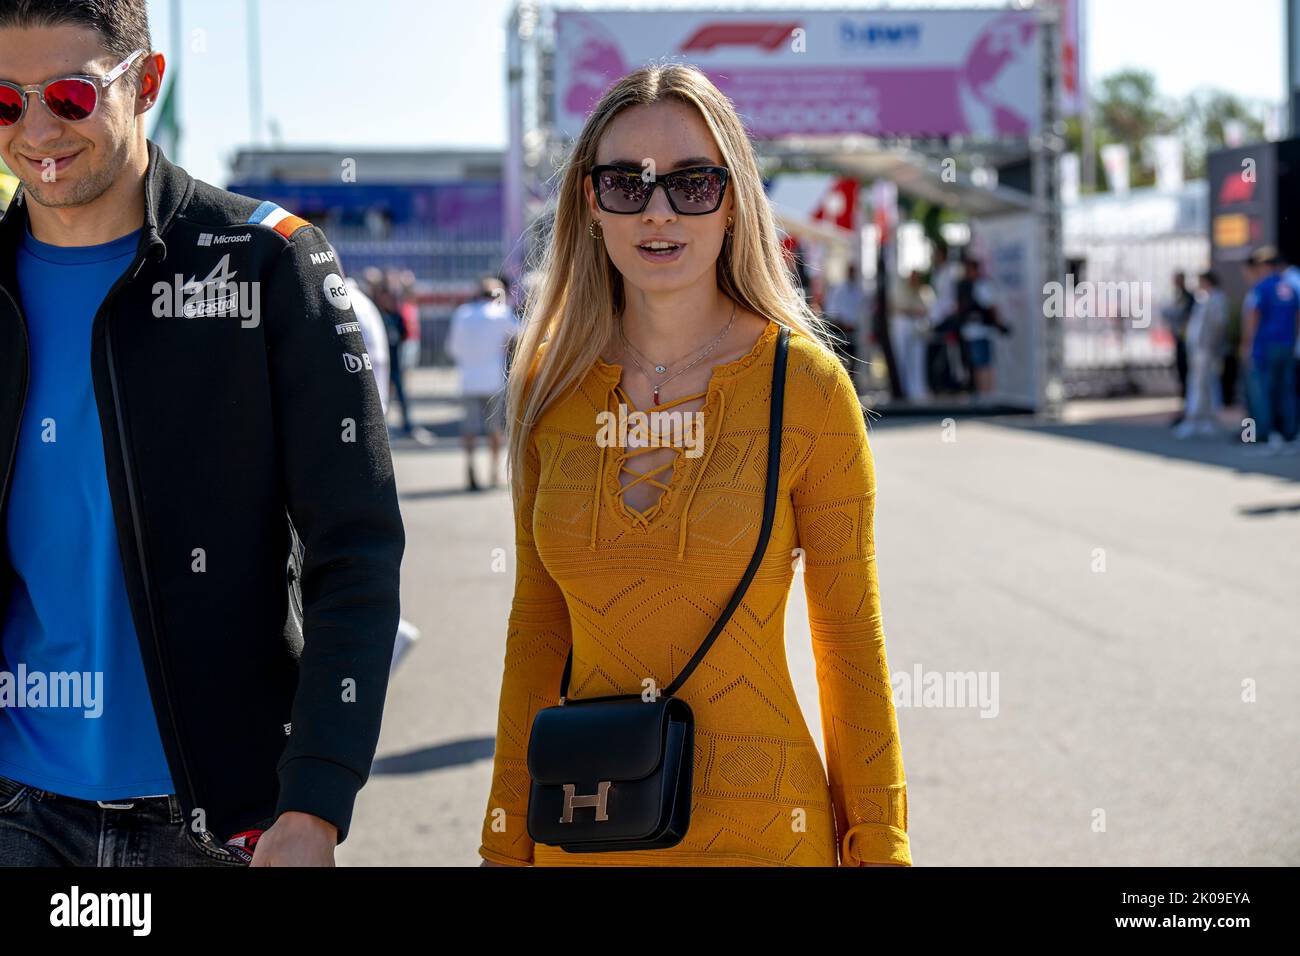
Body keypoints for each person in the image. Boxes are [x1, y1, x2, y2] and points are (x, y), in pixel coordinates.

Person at [0, 2, 404, 866]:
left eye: (69, 95)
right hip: (18, 809)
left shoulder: (270, 262)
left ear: (145, 83)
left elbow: (357, 549)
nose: (36, 129)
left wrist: (317, 802)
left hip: (224, 821)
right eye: (4, 101)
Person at [478, 64, 912, 868]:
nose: (657, 210)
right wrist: (503, 842)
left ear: (735, 199)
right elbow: (536, 629)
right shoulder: (551, 386)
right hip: (589, 833)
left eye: (692, 183)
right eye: (626, 183)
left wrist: (881, 849)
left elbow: (850, 643)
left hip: (765, 835)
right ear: (589, 202)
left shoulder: (807, 389)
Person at [446, 276, 520, 490]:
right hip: (493, 380)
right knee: (495, 428)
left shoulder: (462, 314)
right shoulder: (501, 314)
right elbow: (522, 333)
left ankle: (469, 467)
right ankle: (494, 472)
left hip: (468, 379)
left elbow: (452, 348)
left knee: (468, 428)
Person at [1240, 247, 1299, 454]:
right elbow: (1297, 317)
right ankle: (1290, 433)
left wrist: (1247, 346)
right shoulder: (1290, 288)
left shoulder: (1261, 288)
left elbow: (1253, 319)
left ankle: (1267, 434)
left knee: (1262, 391)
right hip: (1287, 345)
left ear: (1265, 266)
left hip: (1264, 347)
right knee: (1286, 390)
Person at [1174, 271, 1227, 439]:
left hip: (1206, 350)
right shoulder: (1204, 298)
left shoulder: (1216, 299)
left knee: (1201, 385)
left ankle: (1197, 419)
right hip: (1198, 349)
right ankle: (1202, 419)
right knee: (1200, 384)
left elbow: (1218, 325)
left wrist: (1212, 346)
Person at [956, 257, 1010, 397]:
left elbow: (991, 307)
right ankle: (983, 393)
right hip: (970, 331)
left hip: (981, 331)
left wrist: (998, 323)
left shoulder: (982, 285)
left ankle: (987, 393)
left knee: (984, 363)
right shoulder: (966, 286)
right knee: (977, 364)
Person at [890, 269, 934, 400]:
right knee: (902, 359)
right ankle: (904, 389)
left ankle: (917, 390)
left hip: (917, 329)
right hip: (904, 327)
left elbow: (926, 309)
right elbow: (896, 307)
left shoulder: (924, 291)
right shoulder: (901, 290)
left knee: (917, 360)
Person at [1161, 272, 1195, 425]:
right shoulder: (1178, 297)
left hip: (1186, 343)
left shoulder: (1188, 298)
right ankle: (1185, 407)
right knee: (1181, 375)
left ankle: (1189, 408)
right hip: (1179, 341)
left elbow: (1187, 318)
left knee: (1187, 376)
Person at [823, 262, 866, 376]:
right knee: (840, 359)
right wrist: (843, 322)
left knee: (854, 360)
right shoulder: (839, 290)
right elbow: (832, 310)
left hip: (852, 329)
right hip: (841, 329)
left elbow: (860, 309)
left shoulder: (857, 290)